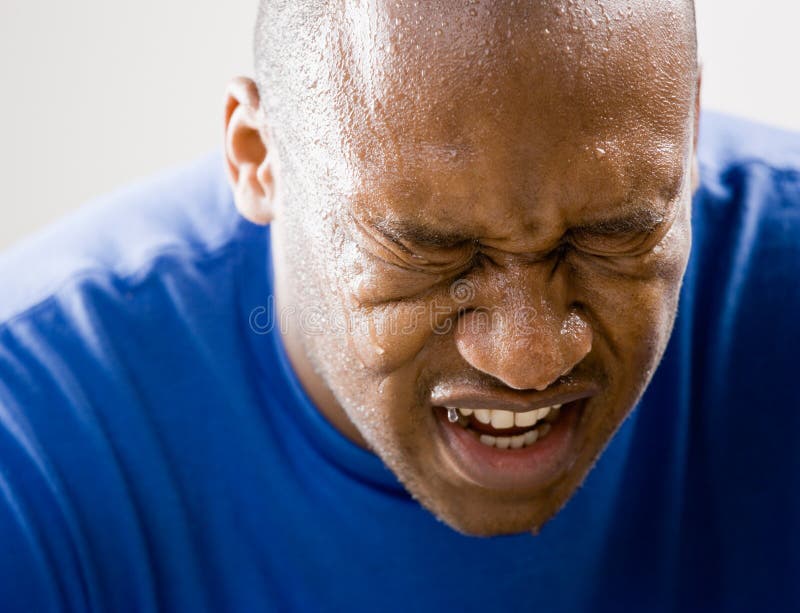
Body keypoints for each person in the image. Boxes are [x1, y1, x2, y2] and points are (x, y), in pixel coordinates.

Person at [1, 0, 798, 610]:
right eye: (431, 249)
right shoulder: (35, 444)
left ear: (689, 133)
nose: (528, 355)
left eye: (611, 235)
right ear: (258, 159)